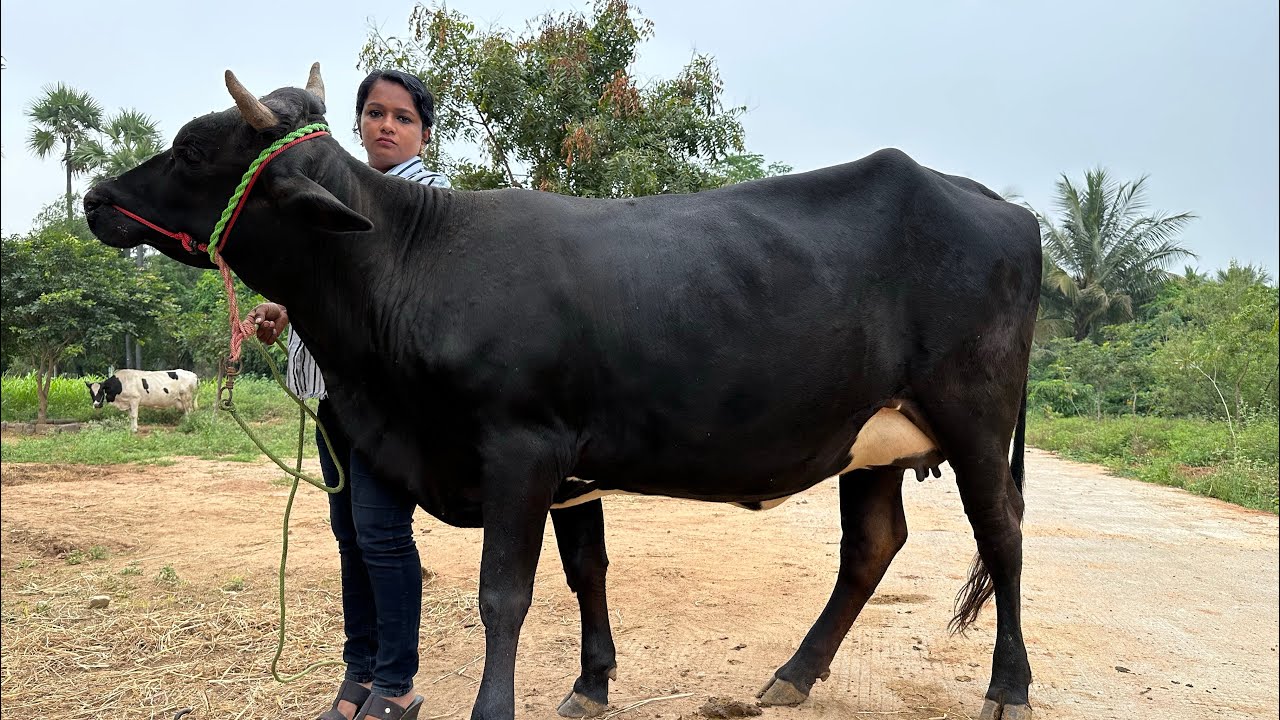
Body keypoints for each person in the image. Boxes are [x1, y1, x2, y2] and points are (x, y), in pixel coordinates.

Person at [248, 69, 449, 720]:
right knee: (350, 536)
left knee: (382, 533)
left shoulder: (432, 203)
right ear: (357, 124)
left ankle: (397, 685)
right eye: (374, 113)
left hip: (392, 403)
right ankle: (359, 675)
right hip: (334, 398)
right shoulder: (332, 197)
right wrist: (286, 309)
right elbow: (327, 289)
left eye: (403, 117)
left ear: (424, 134)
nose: (386, 125)